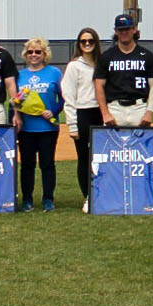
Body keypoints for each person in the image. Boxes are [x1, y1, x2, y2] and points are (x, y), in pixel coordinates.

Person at [12, 38, 64, 212]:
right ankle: (27, 199)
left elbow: (64, 97)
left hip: (48, 127)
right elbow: (14, 101)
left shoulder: (54, 73)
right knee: (27, 165)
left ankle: (48, 199)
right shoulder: (19, 75)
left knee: (47, 164)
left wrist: (54, 111)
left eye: (37, 52)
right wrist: (15, 117)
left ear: (44, 54)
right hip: (26, 128)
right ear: (25, 55)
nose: (33, 55)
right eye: (30, 52)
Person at [61, 27, 103, 213]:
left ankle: (103, 194)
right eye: (83, 41)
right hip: (83, 114)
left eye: (90, 41)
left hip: (101, 113)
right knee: (85, 158)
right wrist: (72, 124)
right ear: (78, 44)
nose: (87, 44)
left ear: (96, 43)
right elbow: (68, 96)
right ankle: (88, 197)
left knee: (102, 157)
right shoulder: (74, 66)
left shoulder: (102, 63)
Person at [94, 13, 153, 129]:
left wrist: (149, 112)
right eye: (120, 29)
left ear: (134, 29)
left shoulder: (147, 56)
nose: (124, 32)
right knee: (112, 146)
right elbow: (99, 85)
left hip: (139, 108)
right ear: (115, 31)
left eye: (127, 29)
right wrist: (105, 113)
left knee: (141, 146)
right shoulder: (107, 56)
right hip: (114, 109)